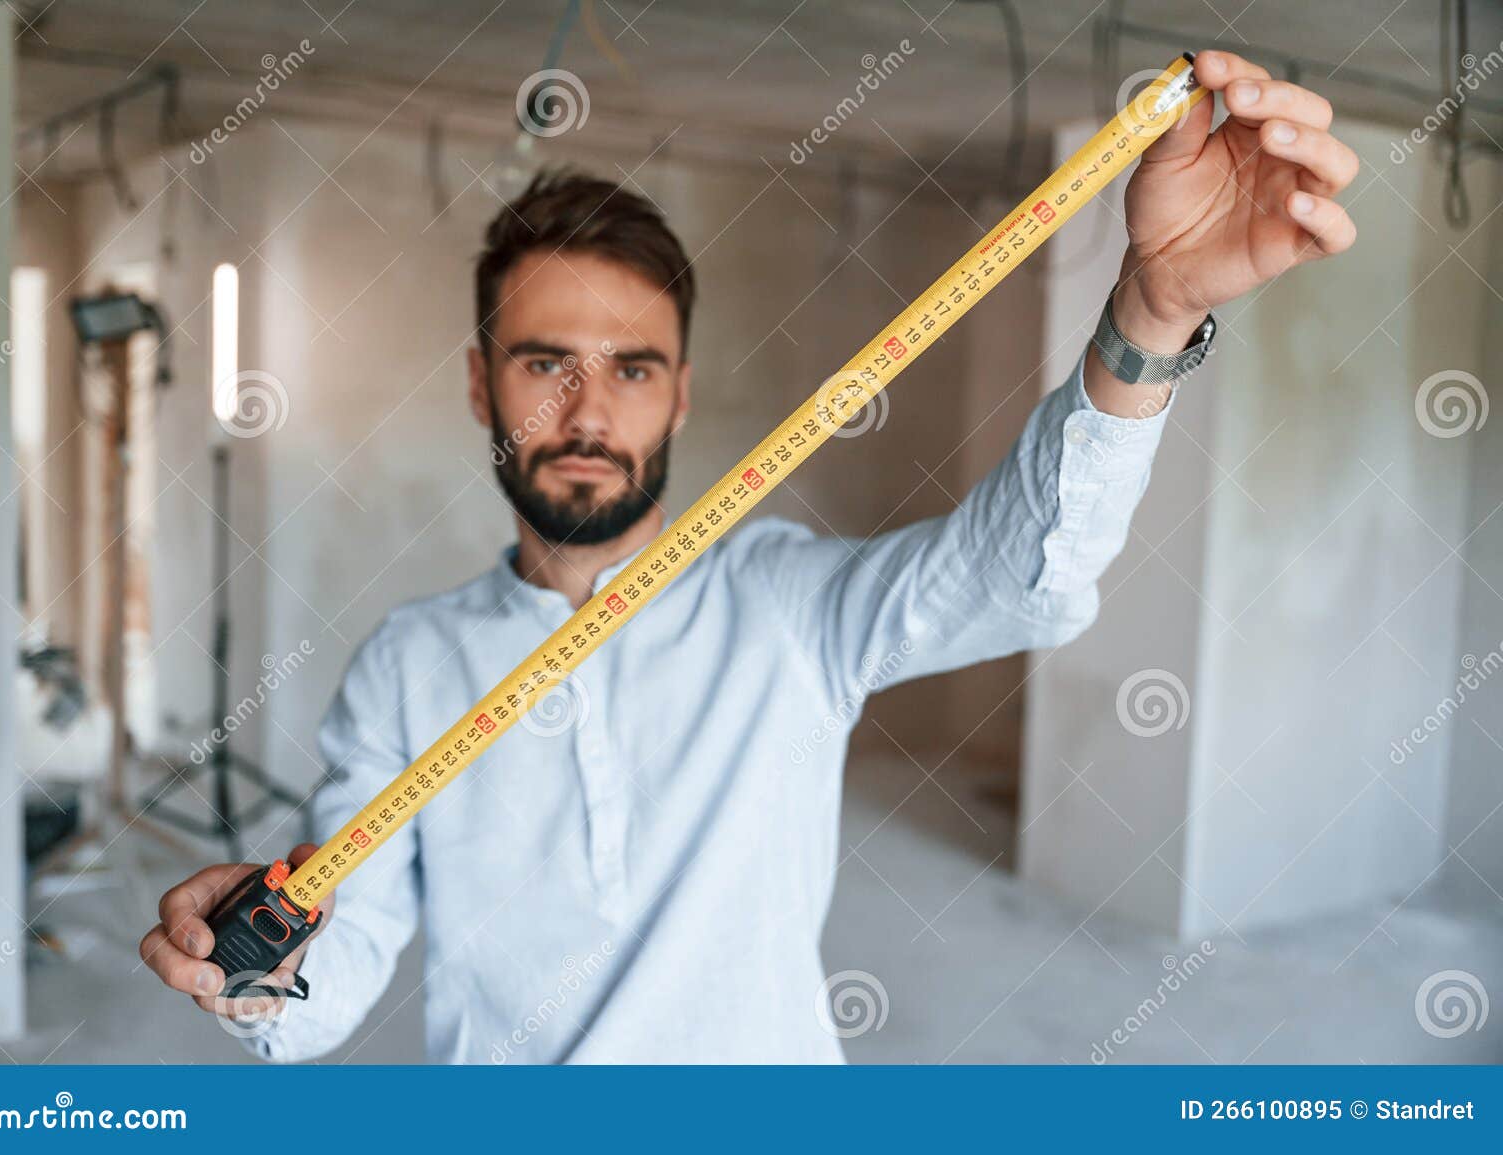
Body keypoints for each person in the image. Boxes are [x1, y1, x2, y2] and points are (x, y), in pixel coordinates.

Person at [140, 50, 1358, 1062]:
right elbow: (323, 990)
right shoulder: (407, 671)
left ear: (678, 400)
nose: (585, 413)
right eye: (541, 362)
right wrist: (255, 973)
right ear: (478, 383)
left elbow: (1024, 577)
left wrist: (1148, 319)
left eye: (631, 369)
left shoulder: (784, 601)